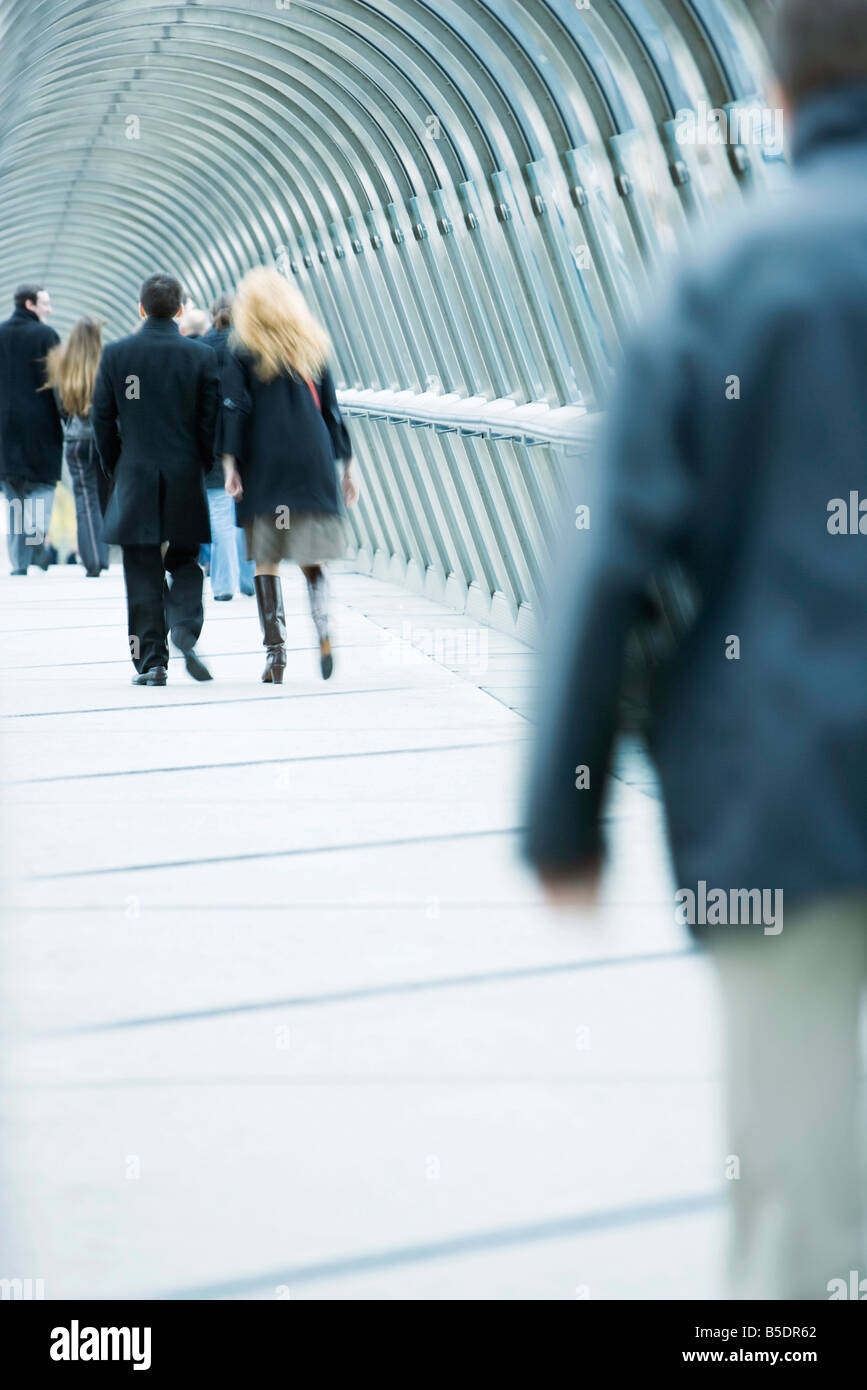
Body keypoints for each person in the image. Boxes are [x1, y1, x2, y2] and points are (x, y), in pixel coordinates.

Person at [524, 0, 867, 1300]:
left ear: (775, 99)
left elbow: (610, 556)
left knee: (792, 1190)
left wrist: (562, 816)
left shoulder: (719, 274)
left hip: (774, 788)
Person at [221, 267, 358, 684]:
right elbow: (331, 411)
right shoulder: (313, 345)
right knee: (310, 556)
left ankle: (276, 656)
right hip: (311, 457)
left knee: (268, 559)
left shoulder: (243, 348)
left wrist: (230, 464)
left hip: (267, 460)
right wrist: (349, 466)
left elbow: (236, 408)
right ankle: (323, 631)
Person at [91, 272, 220, 686]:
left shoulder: (116, 355)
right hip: (184, 473)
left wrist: (118, 466)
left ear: (140, 308)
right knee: (184, 559)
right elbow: (209, 421)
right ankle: (183, 625)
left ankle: (152, 661)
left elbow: (102, 420)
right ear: (181, 310)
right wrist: (200, 463)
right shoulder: (200, 356)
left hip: (136, 472)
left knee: (142, 567)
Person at [0, 284, 62, 574]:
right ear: (29, 304)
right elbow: (58, 383)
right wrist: (66, 415)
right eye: (45, 303)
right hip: (41, 426)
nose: (49, 309)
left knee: (14, 496)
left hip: (4, 431)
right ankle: (36, 537)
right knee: (40, 486)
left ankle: (19, 564)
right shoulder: (46, 336)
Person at [44, 317, 109, 577]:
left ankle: (93, 559)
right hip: (103, 439)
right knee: (104, 498)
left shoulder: (64, 367)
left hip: (76, 439)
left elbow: (60, 406)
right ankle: (102, 555)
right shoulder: (106, 362)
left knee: (85, 500)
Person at [201, 294, 255, 601]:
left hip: (211, 437)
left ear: (212, 316)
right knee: (245, 510)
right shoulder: (249, 347)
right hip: (245, 433)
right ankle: (249, 579)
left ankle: (223, 584)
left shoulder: (201, 348)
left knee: (220, 510)